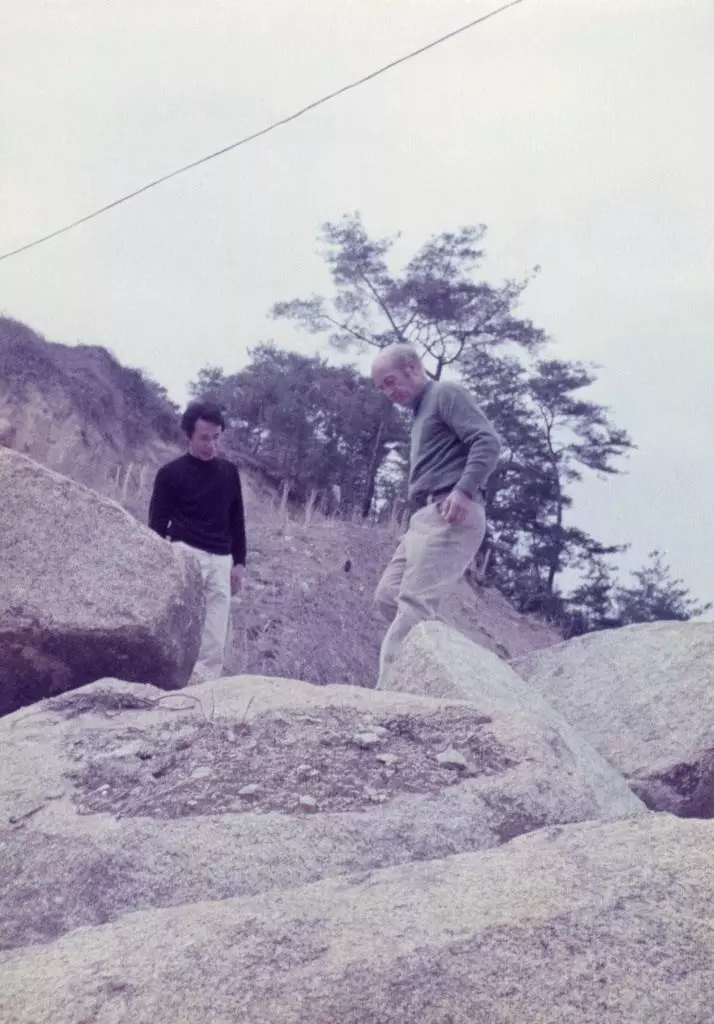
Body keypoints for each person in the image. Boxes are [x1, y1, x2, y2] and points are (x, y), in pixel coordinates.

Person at [371, 343, 501, 687]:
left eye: (390, 381)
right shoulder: (420, 412)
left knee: (413, 605)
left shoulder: (445, 393)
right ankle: (463, 666)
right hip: (425, 515)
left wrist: (464, 489)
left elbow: (488, 441)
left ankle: (386, 697)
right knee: (387, 596)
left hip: (452, 509)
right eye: (382, 387)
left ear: (412, 367)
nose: (388, 392)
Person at [149, 401, 246, 682]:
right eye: (204, 437)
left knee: (215, 637)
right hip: (185, 554)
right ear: (188, 436)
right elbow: (156, 525)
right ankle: (167, 683)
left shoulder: (229, 472)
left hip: (221, 559)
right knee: (178, 628)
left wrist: (239, 563)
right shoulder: (169, 474)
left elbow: (237, 520)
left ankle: (203, 695)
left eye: (216, 437)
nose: (211, 444)